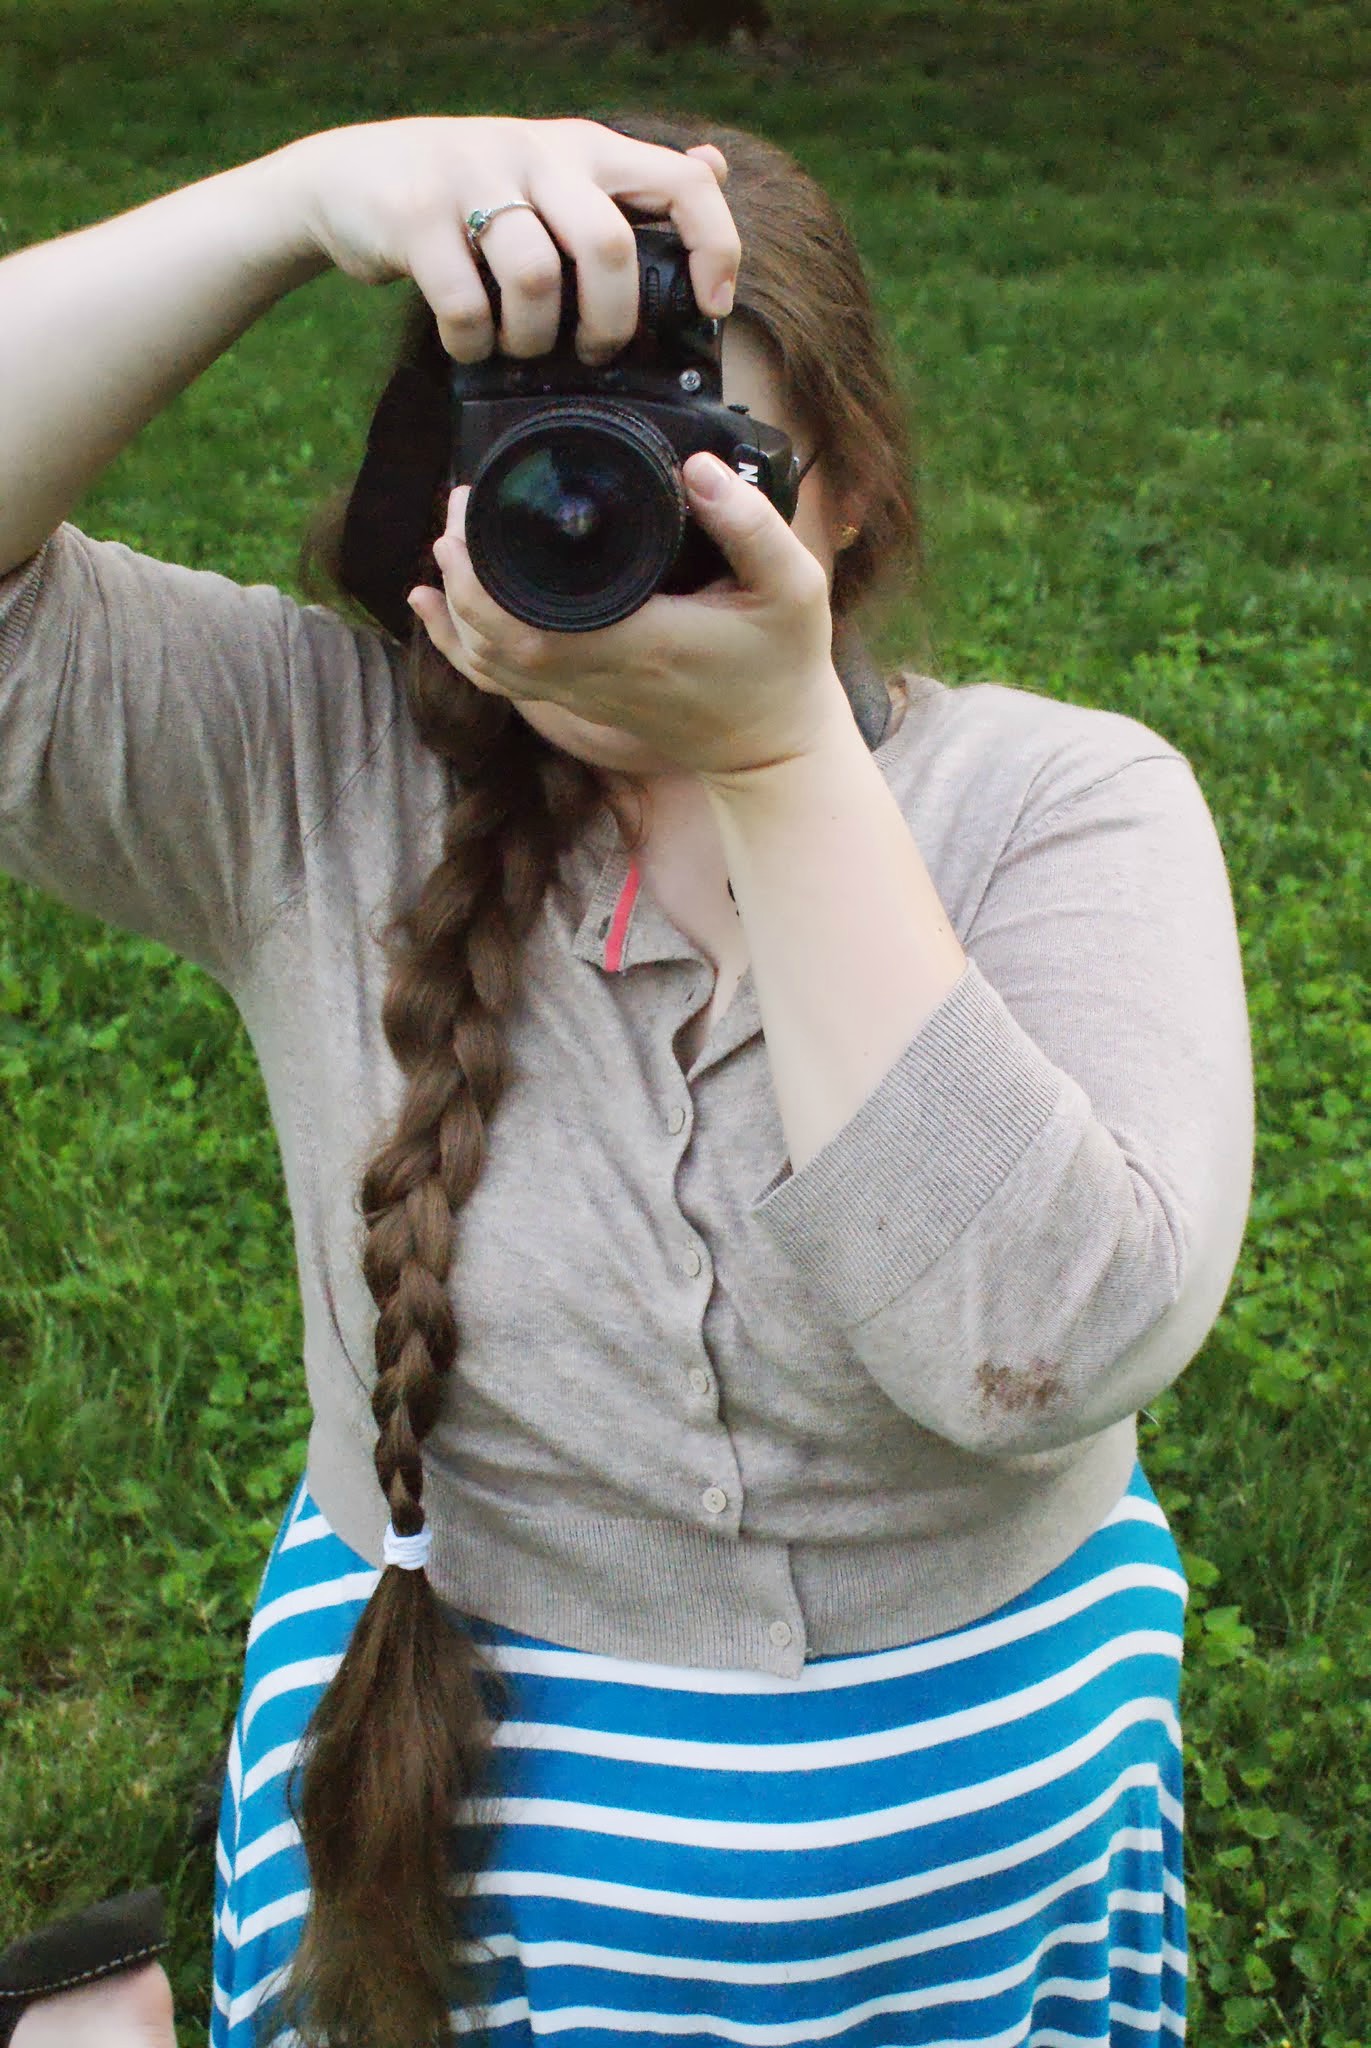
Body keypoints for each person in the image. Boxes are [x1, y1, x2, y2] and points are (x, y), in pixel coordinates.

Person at [0, 107, 1254, 2048]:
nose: (601, 514)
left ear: (833, 493)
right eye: (534, 449)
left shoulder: (1049, 805)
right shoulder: (309, 770)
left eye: (689, 458)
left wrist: (774, 767)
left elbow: (1044, 1344)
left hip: (963, 1912)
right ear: (441, 489)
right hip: (453, 1854)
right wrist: (292, 201)